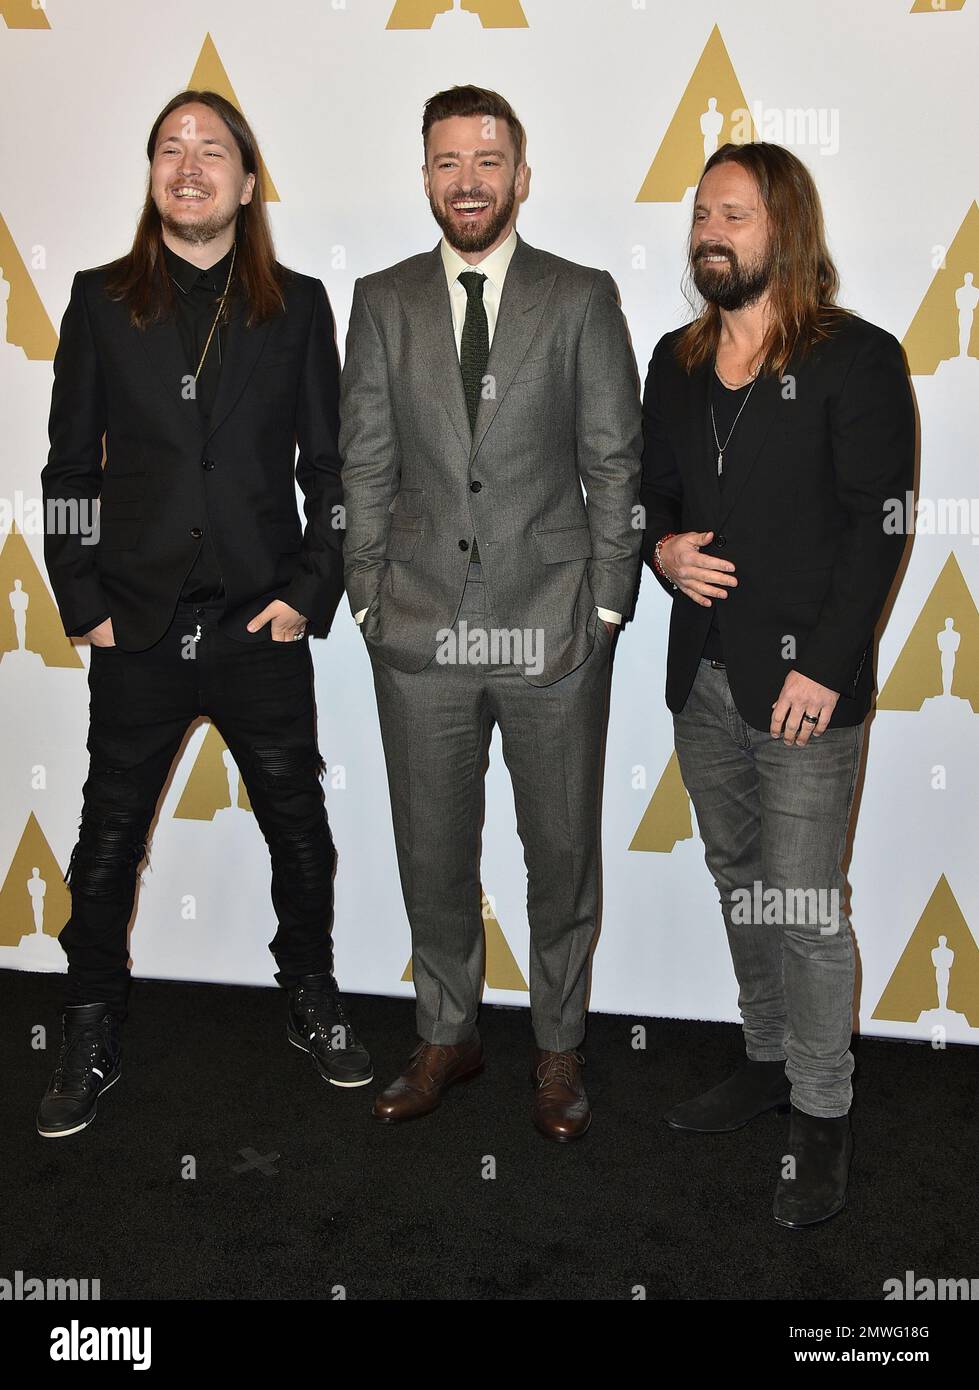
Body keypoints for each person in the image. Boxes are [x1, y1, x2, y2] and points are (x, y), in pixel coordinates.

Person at [38, 89, 371, 1139]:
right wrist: (80, 600)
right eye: (171, 149)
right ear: (151, 176)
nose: (190, 165)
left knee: (300, 832)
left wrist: (307, 593)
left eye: (212, 150)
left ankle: (308, 993)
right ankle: (89, 1019)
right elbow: (67, 470)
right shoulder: (99, 301)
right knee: (104, 840)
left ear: (247, 178)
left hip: (256, 622)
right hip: (133, 625)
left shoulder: (300, 305)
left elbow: (333, 471)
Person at [340, 85, 642, 1140]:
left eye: (486, 160)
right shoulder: (381, 300)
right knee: (433, 851)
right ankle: (446, 1033)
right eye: (446, 162)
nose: (466, 181)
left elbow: (613, 460)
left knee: (559, 853)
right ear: (422, 173)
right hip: (417, 632)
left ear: (520, 173)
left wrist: (604, 608)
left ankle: (557, 1052)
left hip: (553, 630)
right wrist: (369, 602)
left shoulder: (580, 296)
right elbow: (365, 464)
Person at [639, 142, 914, 1224]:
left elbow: (876, 530)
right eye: (702, 210)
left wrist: (830, 670)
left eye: (735, 214)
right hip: (701, 674)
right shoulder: (673, 357)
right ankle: (764, 1059)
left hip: (805, 686)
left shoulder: (857, 358)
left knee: (804, 906)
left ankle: (822, 1107)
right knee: (736, 875)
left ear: (783, 231)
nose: (709, 228)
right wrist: (660, 551)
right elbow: (650, 497)